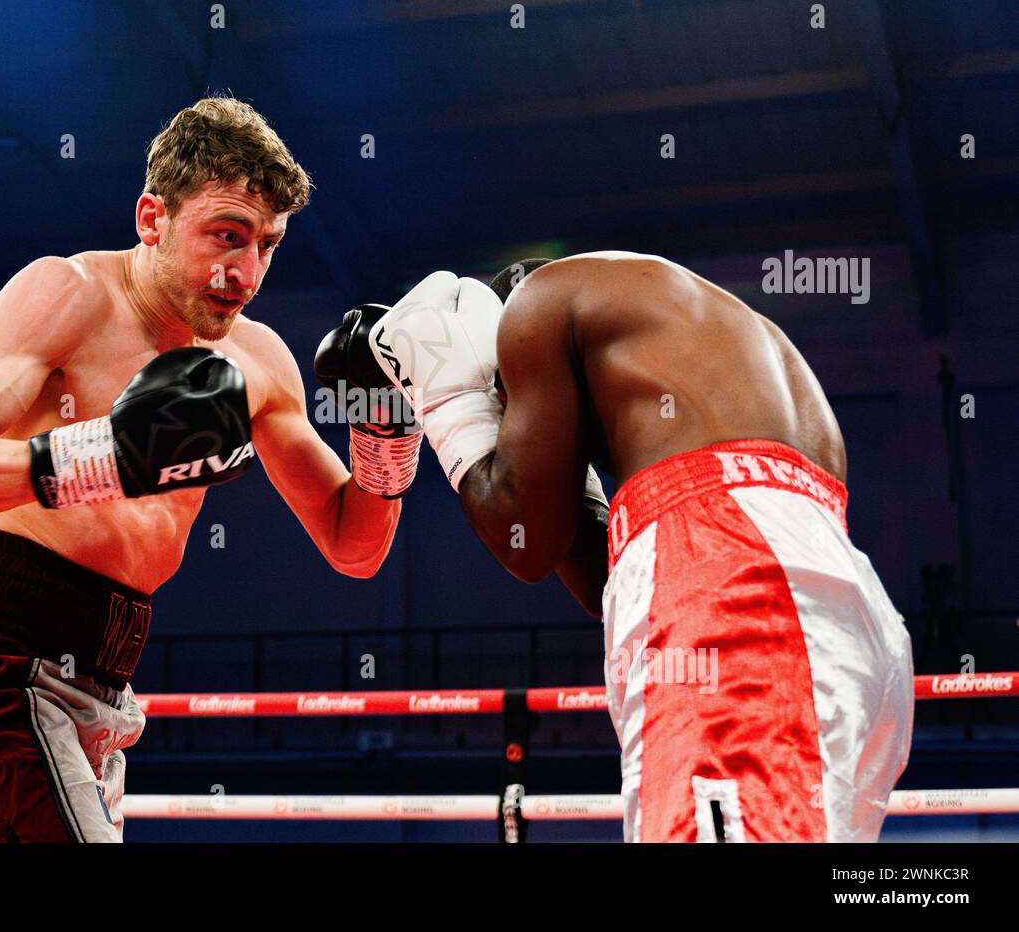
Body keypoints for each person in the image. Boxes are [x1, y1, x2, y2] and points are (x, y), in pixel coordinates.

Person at [0, 97, 416, 842]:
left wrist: (387, 434)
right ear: (151, 219)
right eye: (225, 236)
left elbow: (354, 547)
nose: (245, 271)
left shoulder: (256, 362)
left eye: (267, 245)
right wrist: (107, 454)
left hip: (103, 681)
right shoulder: (68, 296)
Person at [363, 252, 914, 842]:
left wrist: (449, 398)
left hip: (736, 608)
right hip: (847, 625)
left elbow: (522, 541)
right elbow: (615, 583)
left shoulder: (537, 303)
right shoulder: (723, 343)